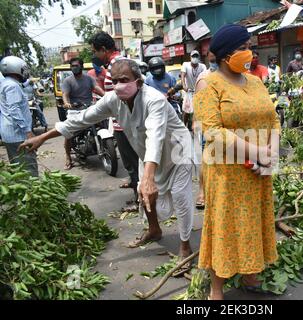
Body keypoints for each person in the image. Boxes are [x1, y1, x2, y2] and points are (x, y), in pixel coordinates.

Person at [19, 59, 195, 262]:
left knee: (181, 198)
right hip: (148, 152)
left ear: (138, 82)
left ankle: (185, 247)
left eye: (125, 80)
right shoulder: (112, 100)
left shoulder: (153, 99)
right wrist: (43, 137)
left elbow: (156, 135)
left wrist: (149, 177)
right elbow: (82, 118)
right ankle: (154, 230)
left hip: (177, 151)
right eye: (116, 80)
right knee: (143, 191)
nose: (120, 84)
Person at [193, 24, 279, 300]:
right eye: (242, 48)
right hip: (227, 172)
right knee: (226, 226)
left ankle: (250, 275)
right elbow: (213, 132)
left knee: (253, 220)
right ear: (224, 55)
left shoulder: (255, 81)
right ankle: (216, 291)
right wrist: (257, 152)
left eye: (249, 47)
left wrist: (271, 154)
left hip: (258, 168)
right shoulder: (209, 84)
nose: (249, 52)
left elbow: (273, 119)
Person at [90, 31, 140, 209]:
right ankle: (139, 192)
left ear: (103, 49)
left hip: (123, 124)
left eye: (95, 52)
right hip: (130, 121)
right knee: (134, 162)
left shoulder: (114, 67)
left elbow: (115, 99)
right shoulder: (125, 61)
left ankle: (139, 200)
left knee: (132, 163)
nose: (95, 56)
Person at [61, 57, 105, 170]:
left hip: (89, 108)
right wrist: (66, 103)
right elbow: (65, 94)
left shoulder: (89, 79)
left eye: (76, 65)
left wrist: (106, 96)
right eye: (72, 66)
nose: (74, 68)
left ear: (82, 66)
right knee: (68, 131)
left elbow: (96, 88)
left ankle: (106, 147)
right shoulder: (68, 81)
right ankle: (68, 157)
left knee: (103, 122)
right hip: (74, 110)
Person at [0, 56, 38, 176]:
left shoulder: (7, 83)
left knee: (18, 169)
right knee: (29, 169)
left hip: (10, 134)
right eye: (23, 69)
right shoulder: (12, 86)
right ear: (15, 68)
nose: (25, 72)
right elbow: (14, 109)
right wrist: (28, 131)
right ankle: (32, 192)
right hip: (18, 134)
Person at [193, 51, 219, 210]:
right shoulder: (204, 78)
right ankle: (202, 191)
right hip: (208, 125)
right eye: (212, 60)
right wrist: (196, 121)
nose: (214, 62)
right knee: (206, 157)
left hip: (229, 127)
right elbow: (198, 103)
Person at [181, 50, 207, 130]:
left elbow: (205, 77)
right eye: (193, 56)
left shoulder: (202, 66)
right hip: (188, 91)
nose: (195, 58)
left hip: (199, 91)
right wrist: (184, 86)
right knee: (187, 110)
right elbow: (182, 76)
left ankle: (197, 127)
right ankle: (184, 127)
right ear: (190, 57)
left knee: (199, 109)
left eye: (196, 56)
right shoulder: (186, 65)